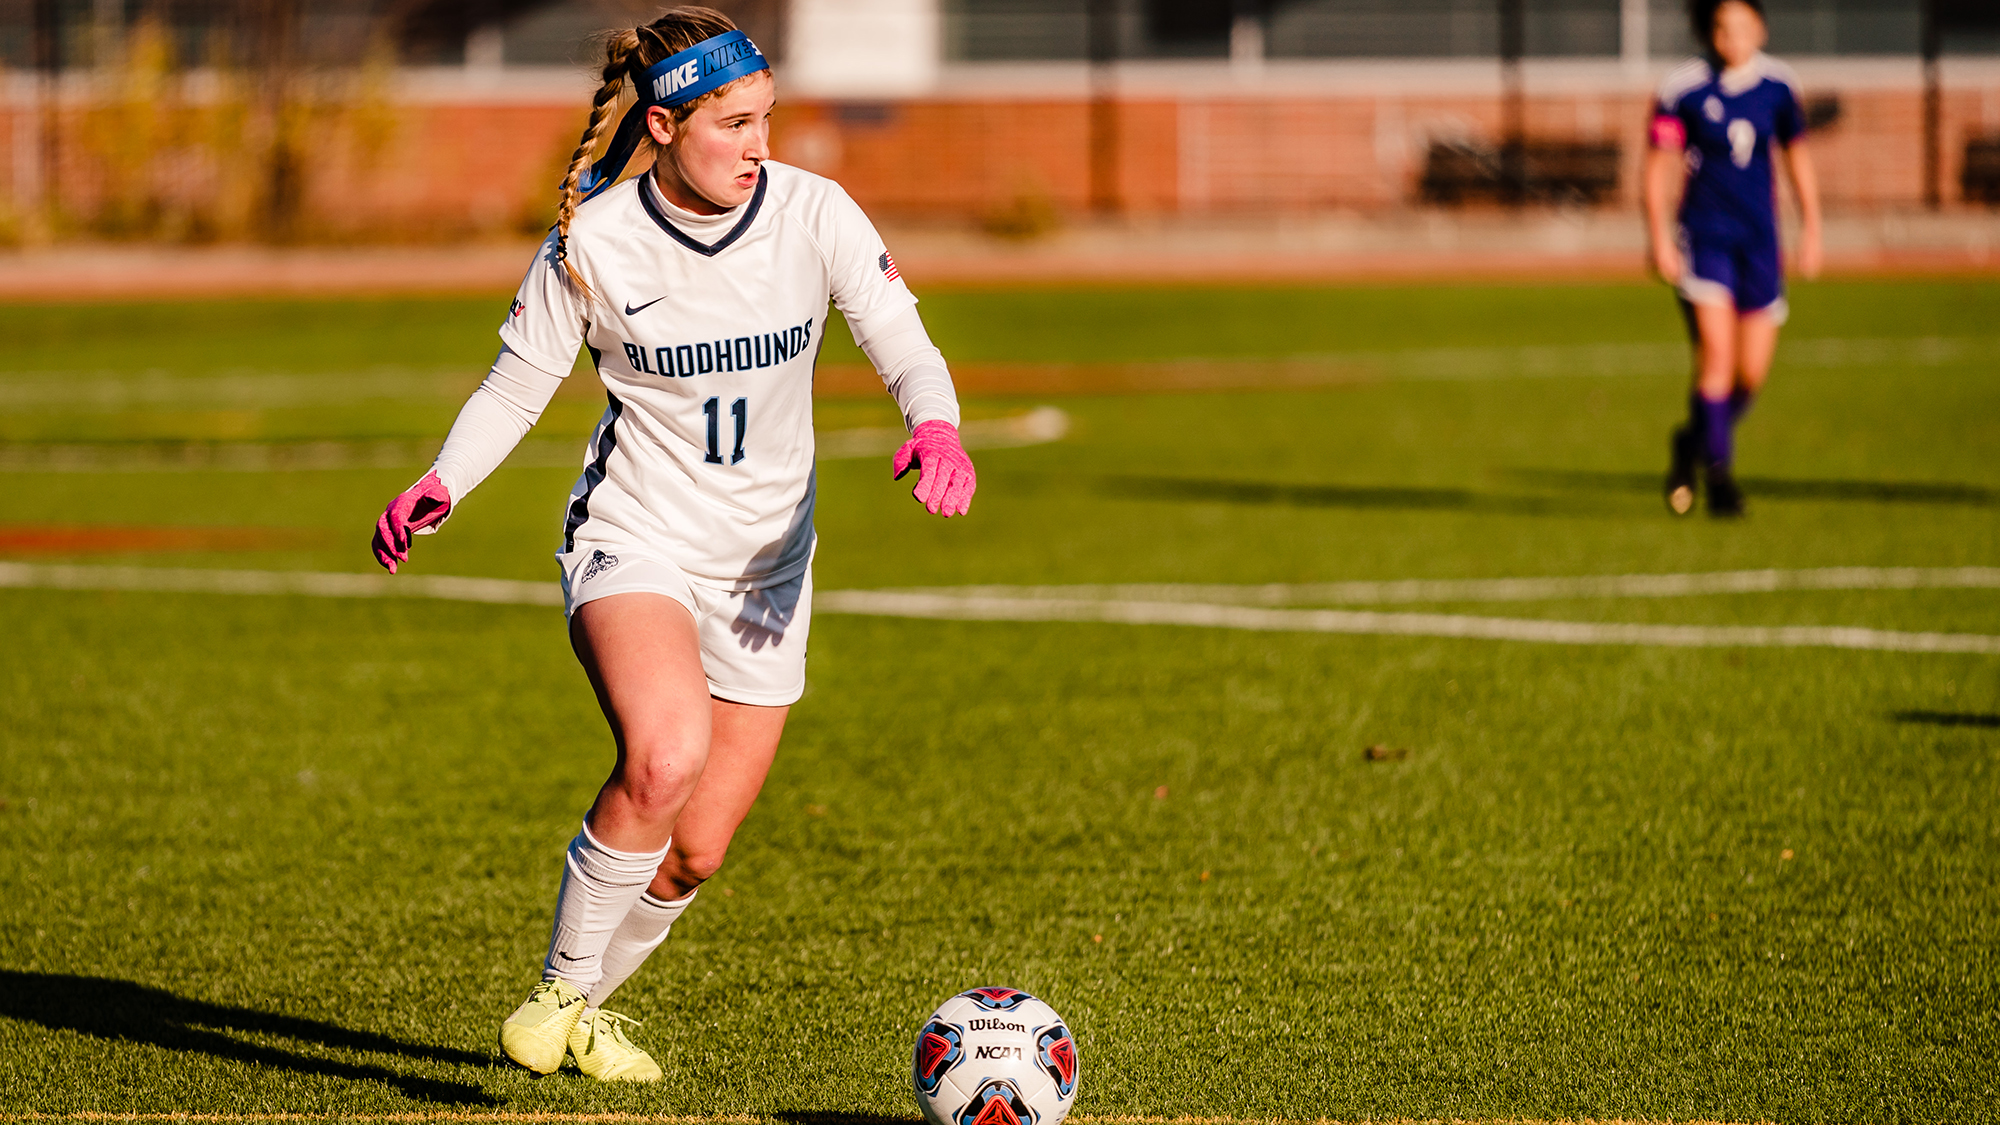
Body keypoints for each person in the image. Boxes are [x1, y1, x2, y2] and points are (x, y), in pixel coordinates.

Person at [368, 6, 976, 1083]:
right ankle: (559, 989)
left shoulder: (814, 212)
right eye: (733, 124)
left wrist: (935, 425)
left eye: (766, 119)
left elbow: (902, 342)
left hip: (767, 573)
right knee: (663, 755)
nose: (758, 146)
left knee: (695, 850)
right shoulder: (593, 241)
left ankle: (584, 1014)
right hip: (634, 537)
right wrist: (442, 480)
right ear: (662, 124)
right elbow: (516, 384)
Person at [1645, 0, 1821, 517]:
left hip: (1760, 242)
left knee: (1750, 375)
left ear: (1760, 28)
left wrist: (1812, 227)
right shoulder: (1683, 88)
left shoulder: (1779, 87)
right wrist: (1658, 238)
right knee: (1716, 358)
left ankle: (1690, 443)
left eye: (1743, 26)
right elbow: (1658, 168)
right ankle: (1720, 478)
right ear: (1709, 32)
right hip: (1704, 238)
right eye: (1722, 27)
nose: (1733, 37)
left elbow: (1797, 157)